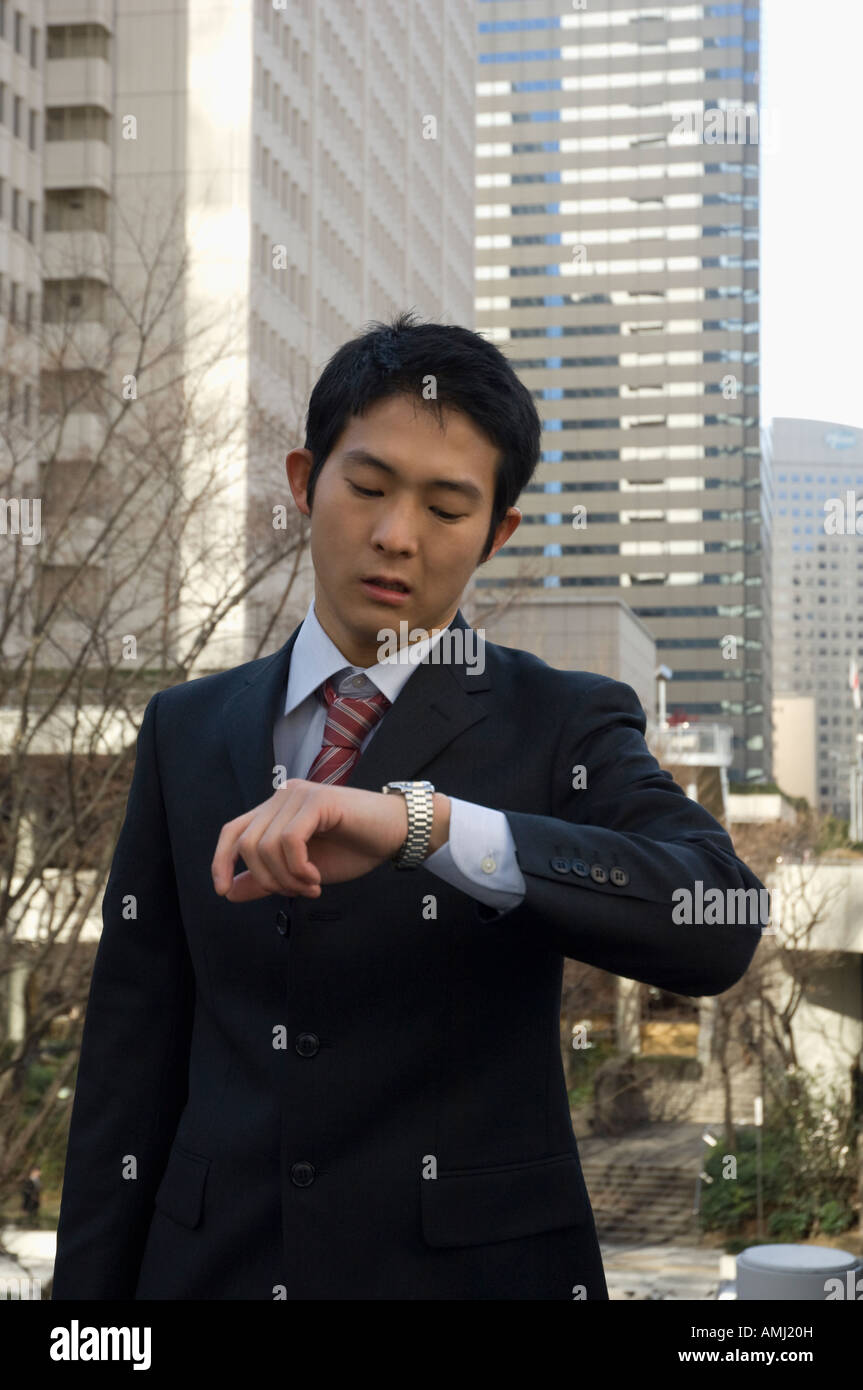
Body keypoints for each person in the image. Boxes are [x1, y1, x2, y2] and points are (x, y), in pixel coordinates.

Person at [52, 311, 765, 1301]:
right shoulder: (186, 727)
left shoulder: (560, 720)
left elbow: (715, 913)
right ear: (304, 482)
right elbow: (128, 1063)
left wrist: (423, 827)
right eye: (368, 487)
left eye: (445, 507)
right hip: (211, 1273)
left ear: (497, 532)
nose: (396, 536)